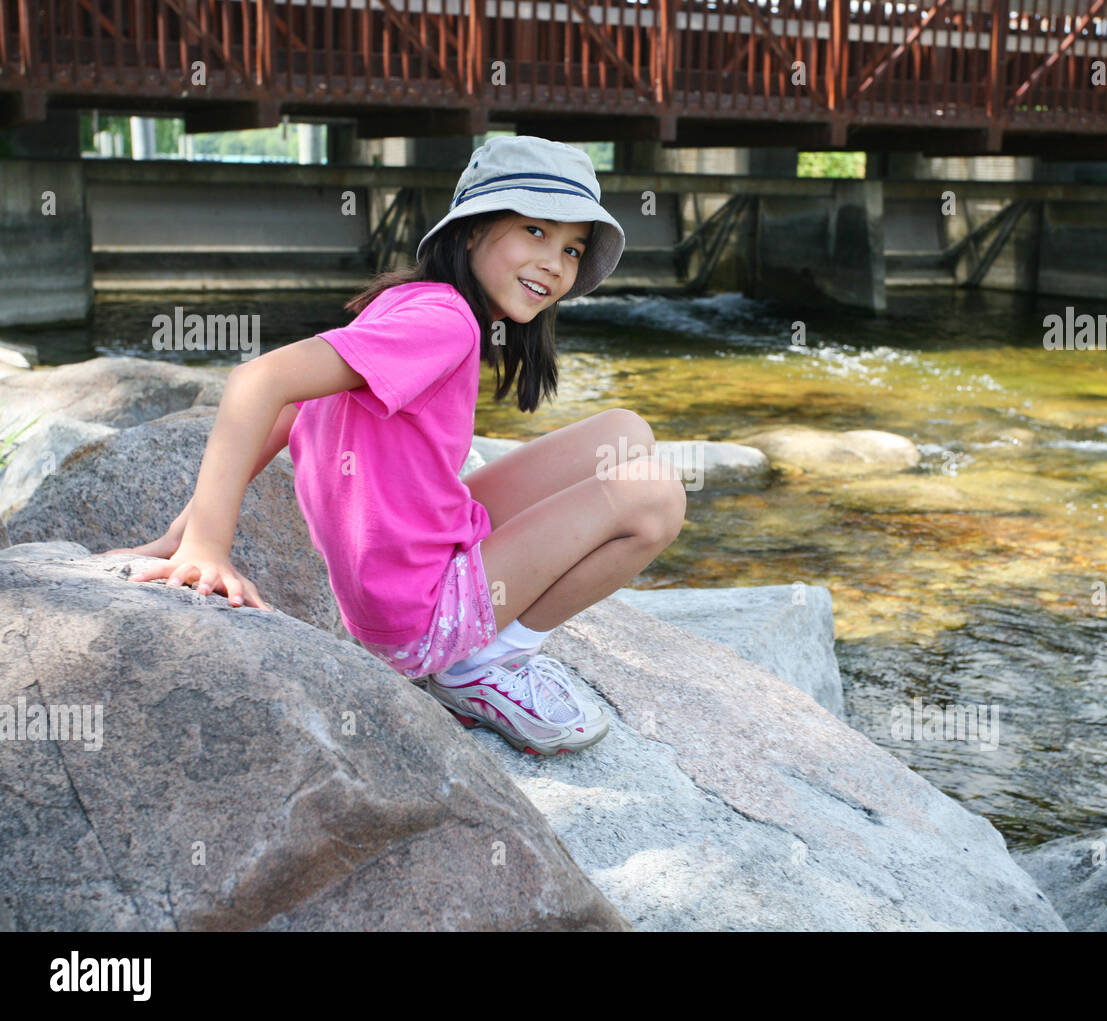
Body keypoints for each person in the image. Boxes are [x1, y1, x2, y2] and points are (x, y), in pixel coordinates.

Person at [109, 135, 687, 756]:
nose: (556, 262)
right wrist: (205, 546)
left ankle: (476, 645)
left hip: (425, 564)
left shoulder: (409, 303)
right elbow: (260, 381)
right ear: (470, 231)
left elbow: (293, 411)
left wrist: (181, 529)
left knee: (625, 432)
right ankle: (479, 667)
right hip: (420, 618)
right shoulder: (442, 323)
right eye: (536, 231)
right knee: (655, 498)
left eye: (572, 248)